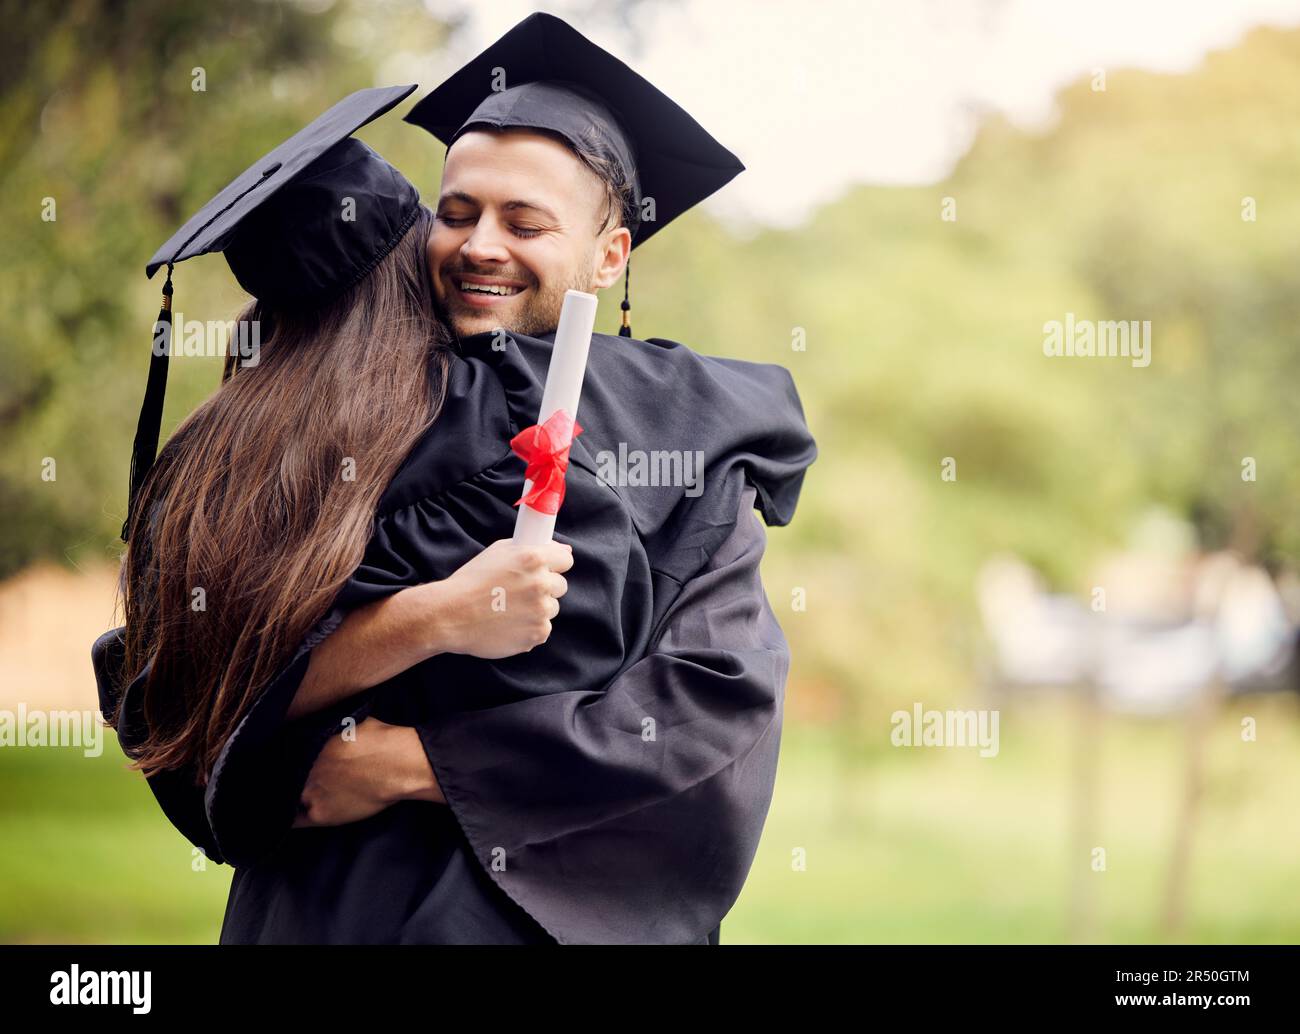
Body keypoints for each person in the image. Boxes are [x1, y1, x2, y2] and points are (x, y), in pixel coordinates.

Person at [98, 16, 819, 945]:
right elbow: (196, 710)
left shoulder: (686, 469)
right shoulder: (328, 437)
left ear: (611, 256)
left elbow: (704, 722)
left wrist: (416, 763)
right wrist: (431, 616)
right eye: (457, 211)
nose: (481, 245)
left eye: (526, 223)